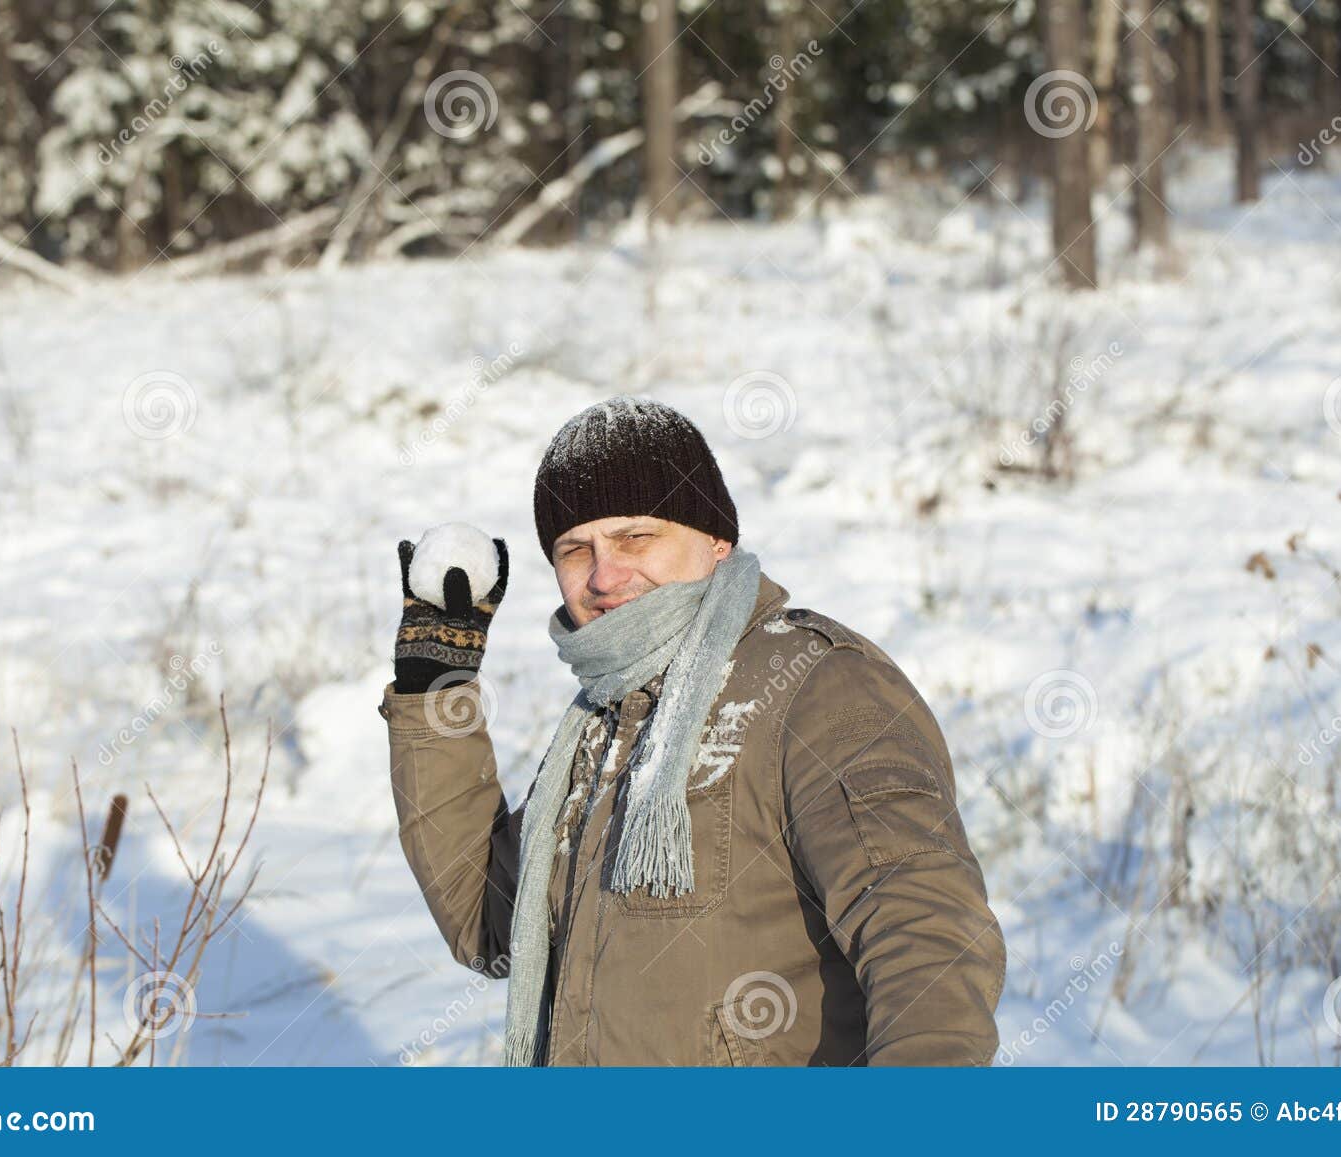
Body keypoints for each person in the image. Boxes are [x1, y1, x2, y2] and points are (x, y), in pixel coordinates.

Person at [379, 394, 1005, 1066]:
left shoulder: (817, 685)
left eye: (635, 537)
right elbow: (490, 924)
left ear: (716, 539)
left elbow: (925, 934)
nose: (604, 573)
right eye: (573, 548)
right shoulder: (599, 728)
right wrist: (433, 688)